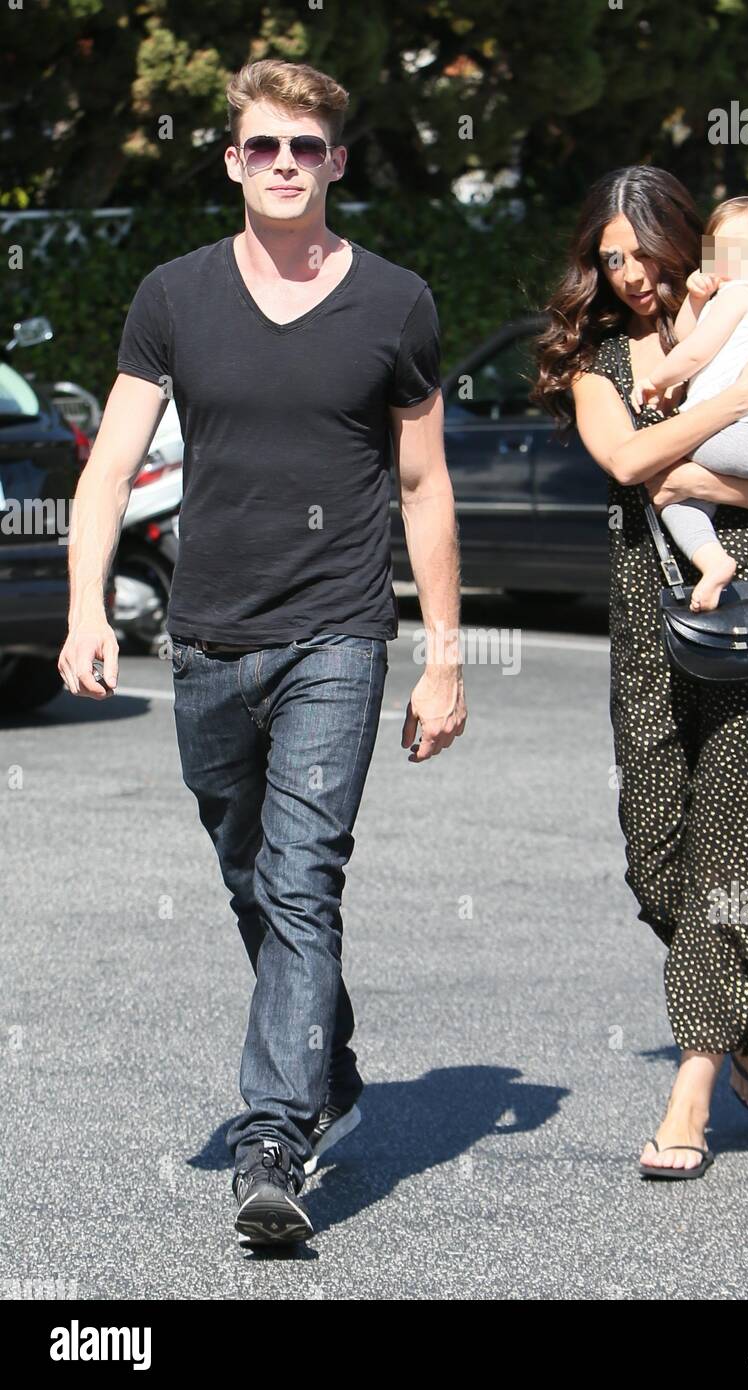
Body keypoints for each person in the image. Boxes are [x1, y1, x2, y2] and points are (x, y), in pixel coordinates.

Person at [58, 58, 466, 1242]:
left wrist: (444, 656)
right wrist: (89, 608)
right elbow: (106, 470)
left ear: (337, 161)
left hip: (337, 630)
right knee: (249, 877)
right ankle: (324, 1058)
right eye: (261, 147)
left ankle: (274, 1139)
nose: (283, 165)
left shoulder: (395, 302)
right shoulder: (173, 296)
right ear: (232, 158)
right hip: (206, 636)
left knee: (302, 879)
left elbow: (426, 485)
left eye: (305, 147)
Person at [532, 165, 748, 1179]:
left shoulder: (737, 322)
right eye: (612, 260)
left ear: (681, 242)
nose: (633, 275)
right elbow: (628, 464)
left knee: (733, 843)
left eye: (645, 253)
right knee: (657, 855)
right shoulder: (596, 358)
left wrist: (696, 456)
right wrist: (725, 409)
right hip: (647, 615)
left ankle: (688, 1096)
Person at [630, 194, 748, 624]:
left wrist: (658, 379)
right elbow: (687, 333)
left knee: (670, 480)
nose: (725, 259)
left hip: (746, 436)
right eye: (717, 248)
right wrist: (696, 301)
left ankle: (714, 561)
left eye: (740, 249)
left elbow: (693, 352)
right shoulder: (746, 298)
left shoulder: (743, 292)